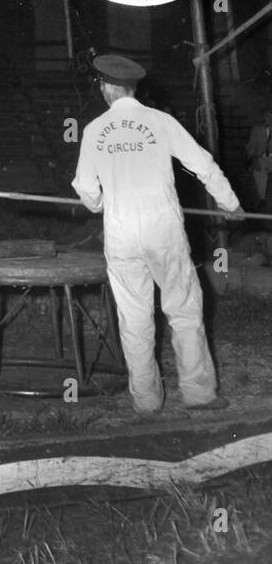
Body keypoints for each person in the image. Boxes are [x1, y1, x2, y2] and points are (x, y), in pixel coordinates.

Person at [72, 54, 243, 416]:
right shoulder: (161, 122)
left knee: (134, 319)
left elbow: (86, 190)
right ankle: (199, 395)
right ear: (134, 87)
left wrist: (102, 203)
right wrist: (230, 204)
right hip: (163, 231)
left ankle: (146, 401)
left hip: (121, 236)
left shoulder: (92, 131)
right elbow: (203, 164)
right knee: (184, 311)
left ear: (105, 87)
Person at [244, 107, 272, 209]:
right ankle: (262, 198)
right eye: (267, 116)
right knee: (258, 171)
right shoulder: (257, 129)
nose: (270, 118)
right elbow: (250, 146)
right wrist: (253, 159)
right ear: (264, 117)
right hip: (262, 157)